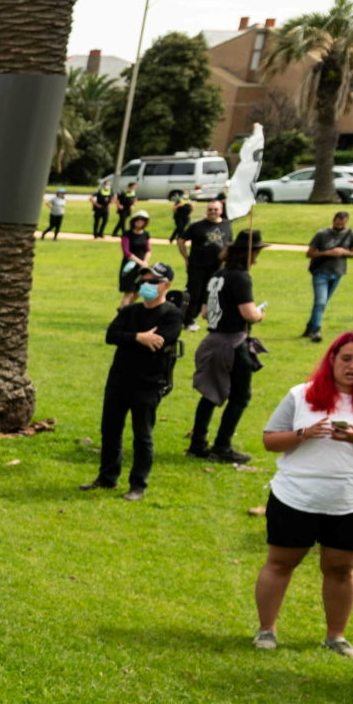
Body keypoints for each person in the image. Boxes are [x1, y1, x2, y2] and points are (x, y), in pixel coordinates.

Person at [252, 331, 353, 656]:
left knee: (341, 570)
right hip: (296, 496)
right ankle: (266, 630)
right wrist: (304, 434)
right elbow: (269, 440)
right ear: (332, 358)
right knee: (280, 564)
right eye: (346, 358)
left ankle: (336, 637)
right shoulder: (301, 395)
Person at [79, 266, 186, 500]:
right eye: (144, 280)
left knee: (142, 435)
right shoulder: (130, 311)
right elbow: (111, 335)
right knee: (110, 431)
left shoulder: (172, 314)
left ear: (166, 285)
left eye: (153, 280)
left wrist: (130, 338)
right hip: (119, 380)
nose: (146, 284)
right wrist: (139, 337)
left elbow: (161, 340)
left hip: (148, 382)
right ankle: (107, 478)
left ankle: (138, 485)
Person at [187, 229, 265, 463]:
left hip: (211, 341)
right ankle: (222, 446)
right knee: (240, 396)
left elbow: (203, 312)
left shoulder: (217, 275)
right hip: (232, 343)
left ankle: (197, 443)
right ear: (249, 253)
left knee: (210, 393)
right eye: (256, 252)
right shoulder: (241, 277)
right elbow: (248, 313)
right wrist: (260, 314)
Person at [303, 211, 353, 343]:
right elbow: (309, 253)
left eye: (342, 224)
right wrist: (327, 253)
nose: (339, 226)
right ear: (333, 220)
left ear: (346, 222)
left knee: (322, 303)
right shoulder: (322, 234)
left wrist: (343, 252)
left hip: (338, 272)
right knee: (321, 302)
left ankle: (310, 327)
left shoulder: (351, 234)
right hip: (321, 272)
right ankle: (316, 330)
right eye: (337, 223)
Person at [182, 198, 231, 298]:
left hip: (217, 268)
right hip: (197, 268)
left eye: (215, 209)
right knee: (194, 296)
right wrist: (186, 257)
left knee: (212, 295)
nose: (212, 211)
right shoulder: (196, 226)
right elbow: (181, 241)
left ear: (221, 210)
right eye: (210, 209)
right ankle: (190, 314)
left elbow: (229, 244)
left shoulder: (227, 225)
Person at [117, 208, 166, 295]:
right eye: (138, 219)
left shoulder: (146, 234)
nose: (140, 221)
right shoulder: (127, 234)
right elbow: (126, 252)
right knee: (129, 293)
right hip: (130, 266)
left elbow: (148, 249)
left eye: (143, 220)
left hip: (142, 267)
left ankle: (131, 308)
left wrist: (145, 262)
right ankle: (124, 308)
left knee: (138, 292)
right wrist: (140, 262)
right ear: (133, 221)